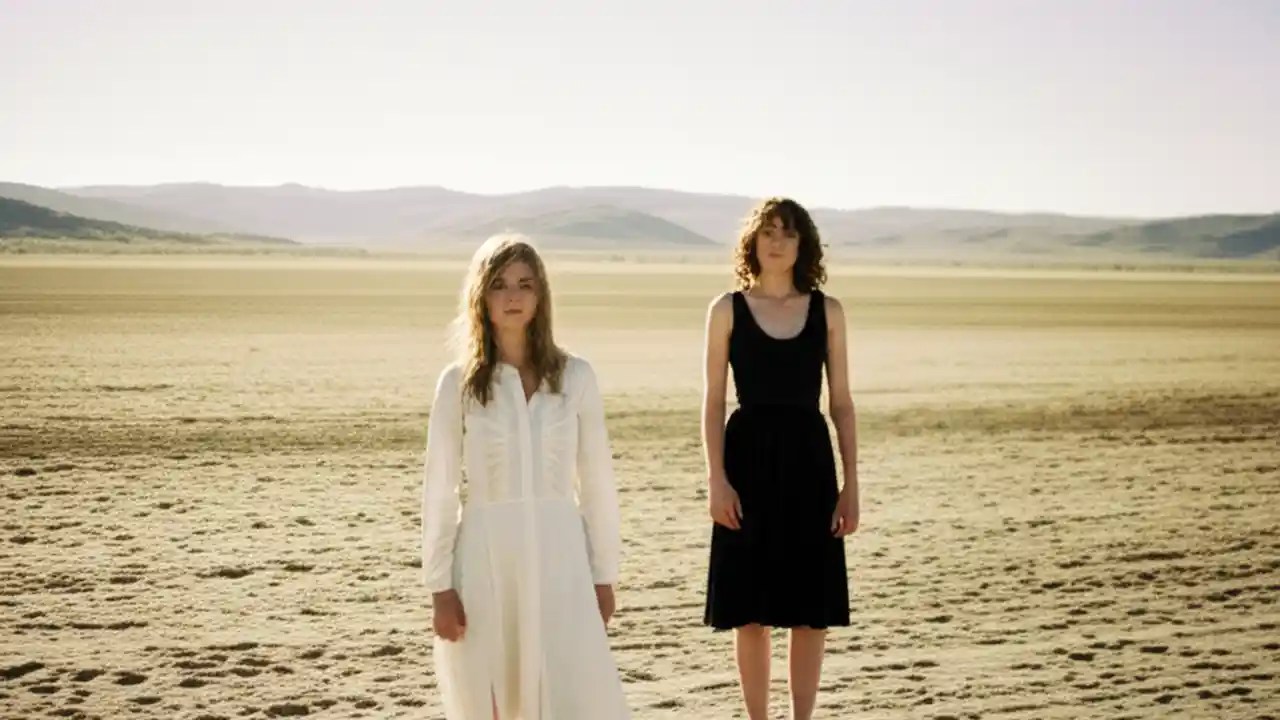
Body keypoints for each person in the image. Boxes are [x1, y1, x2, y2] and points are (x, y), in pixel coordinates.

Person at [421, 234, 631, 720]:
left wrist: (604, 576)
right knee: (492, 699)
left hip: (561, 561)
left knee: (568, 695)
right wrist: (438, 585)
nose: (513, 296)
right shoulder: (459, 384)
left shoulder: (576, 377)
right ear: (481, 297)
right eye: (499, 285)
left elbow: (597, 484)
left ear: (541, 296)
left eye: (524, 284)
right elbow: (440, 488)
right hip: (485, 561)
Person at [701, 197, 860, 720]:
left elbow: (840, 401)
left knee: (809, 610)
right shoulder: (726, 310)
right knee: (750, 611)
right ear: (753, 241)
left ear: (802, 245)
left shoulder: (827, 312)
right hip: (745, 462)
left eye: (787, 233)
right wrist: (716, 480)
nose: (776, 241)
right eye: (767, 231)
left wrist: (851, 484)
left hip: (810, 465)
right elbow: (712, 400)